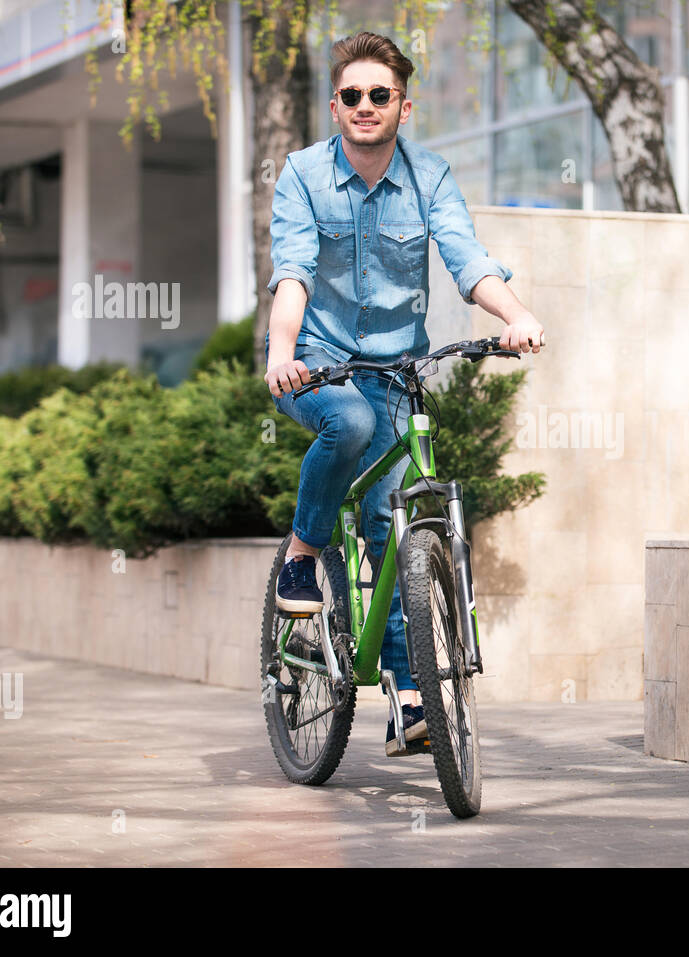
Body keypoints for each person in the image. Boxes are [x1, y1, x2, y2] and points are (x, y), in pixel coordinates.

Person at [264, 31, 544, 756]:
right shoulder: (302, 175)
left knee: (394, 526)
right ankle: (303, 552)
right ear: (335, 105)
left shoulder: (431, 177)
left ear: (403, 106)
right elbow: (293, 271)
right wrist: (282, 353)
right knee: (349, 424)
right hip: (317, 365)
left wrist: (515, 317)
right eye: (352, 95)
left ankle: (411, 698)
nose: (366, 105)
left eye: (379, 95)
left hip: (396, 372)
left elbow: (467, 260)